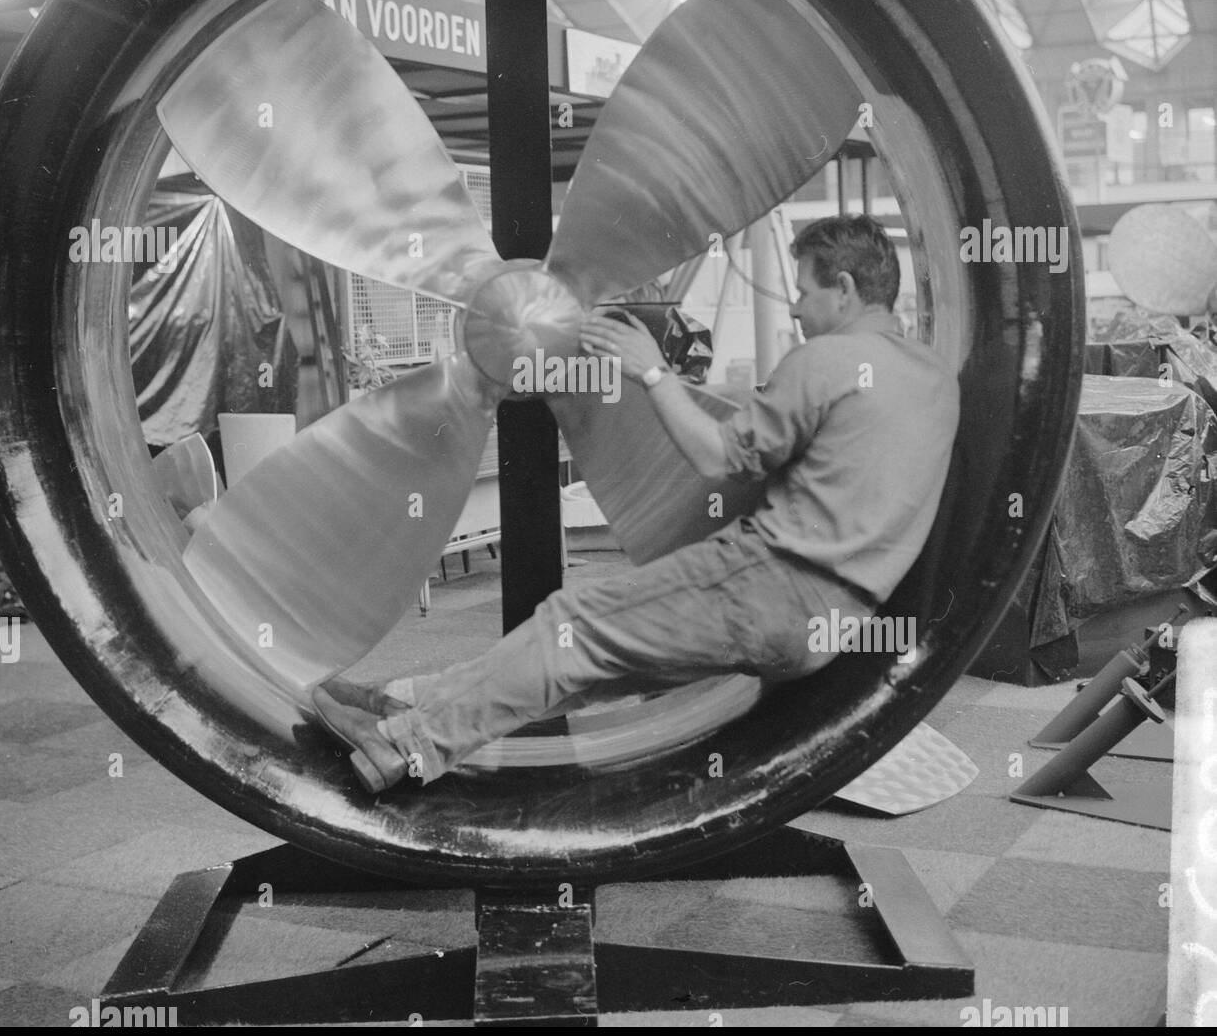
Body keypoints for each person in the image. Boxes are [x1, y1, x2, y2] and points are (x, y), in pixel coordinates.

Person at [310, 214, 960, 793]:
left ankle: (403, 746)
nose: (794, 307)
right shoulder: (934, 378)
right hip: (837, 622)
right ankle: (403, 703)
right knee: (590, 666)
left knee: (570, 623)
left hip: (767, 585)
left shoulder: (827, 360)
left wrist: (651, 371)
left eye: (805, 290)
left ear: (844, 288)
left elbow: (717, 455)